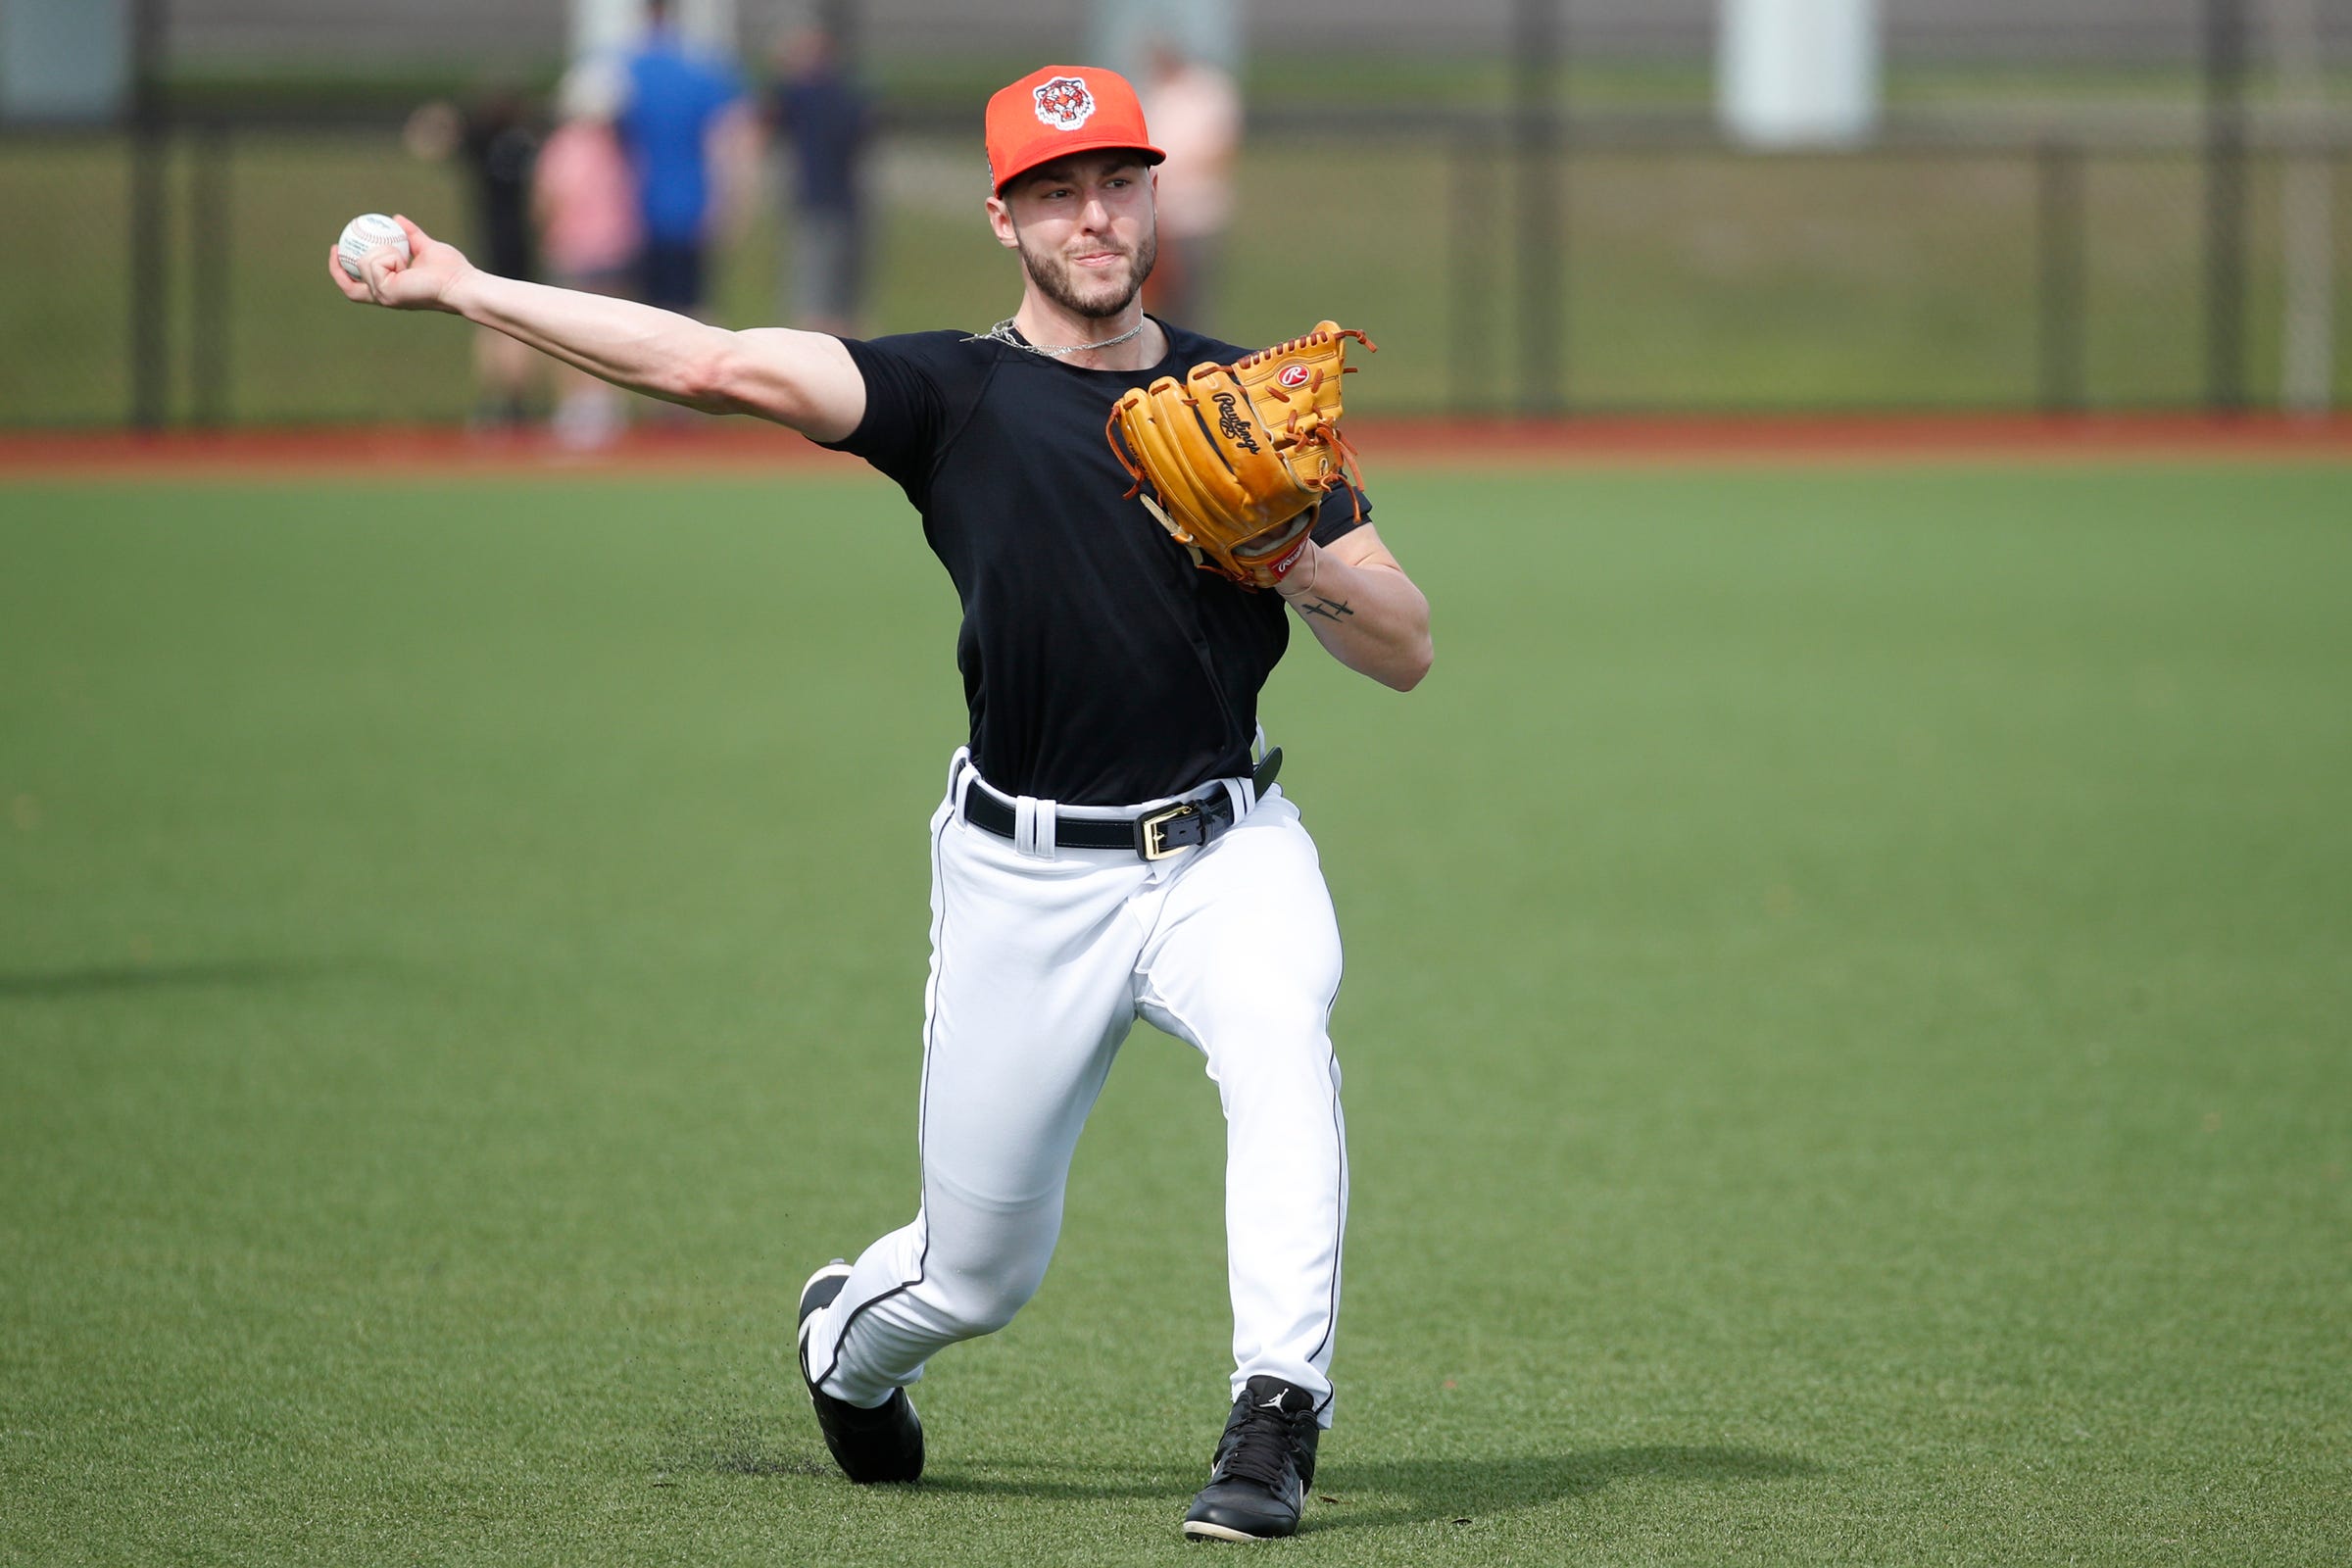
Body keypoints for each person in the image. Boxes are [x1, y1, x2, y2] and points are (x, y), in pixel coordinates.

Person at [326, 62, 1431, 1544]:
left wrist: (1290, 553)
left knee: (1284, 1031)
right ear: (1004, 219)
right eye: (1056, 194)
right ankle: (844, 1346)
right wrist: (467, 285)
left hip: (1224, 845)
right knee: (978, 1276)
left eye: (1117, 182)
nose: (1094, 217)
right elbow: (711, 363)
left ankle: (1275, 1412)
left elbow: (1406, 646)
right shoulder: (951, 397)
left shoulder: (1256, 412)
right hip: (1023, 883)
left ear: (1155, 192)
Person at [404, 80, 544, 429]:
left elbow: (425, 143)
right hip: (524, 245)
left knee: (489, 324)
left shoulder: (481, 144)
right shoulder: (529, 143)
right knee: (521, 324)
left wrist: (442, 116)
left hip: (491, 244)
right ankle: (518, 404)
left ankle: (498, 403)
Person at [617, 0, 753, 322]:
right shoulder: (705, 70)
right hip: (691, 206)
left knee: (644, 312)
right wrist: (735, 204)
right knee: (693, 311)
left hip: (634, 207)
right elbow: (731, 142)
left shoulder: (623, 70)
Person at [533, 59, 642, 449]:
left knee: (596, 332)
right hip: (584, 250)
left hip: (599, 250)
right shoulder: (585, 147)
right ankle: (582, 408)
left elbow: (547, 200)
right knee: (577, 333)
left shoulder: (599, 147)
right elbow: (552, 199)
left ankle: (597, 407)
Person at [767, 23, 875, 336]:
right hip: (850, 206)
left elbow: (766, 118)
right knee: (846, 303)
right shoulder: (851, 97)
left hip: (814, 205)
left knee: (812, 301)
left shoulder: (798, 95)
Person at [1138, 38, 1242, 336]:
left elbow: (1219, 150)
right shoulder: (1152, 93)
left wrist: (1172, 176)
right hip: (1157, 216)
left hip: (1196, 213)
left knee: (1191, 301)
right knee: (1153, 301)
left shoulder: (1208, 93)